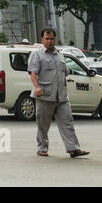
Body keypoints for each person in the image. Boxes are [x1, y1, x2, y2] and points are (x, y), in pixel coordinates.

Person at [30, 28, 89, 158]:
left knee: (68, 122)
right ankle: (42, 148)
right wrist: (37, 87)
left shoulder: (60, 55)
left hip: (61, 96)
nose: (50, 41)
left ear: (55, 39)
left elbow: (64, 74)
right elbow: (33, 73)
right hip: (45, 95)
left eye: (52, 39)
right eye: (47, 39)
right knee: (43, 125)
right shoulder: (37, 55)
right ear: (42, 40)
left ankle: (73, 149)